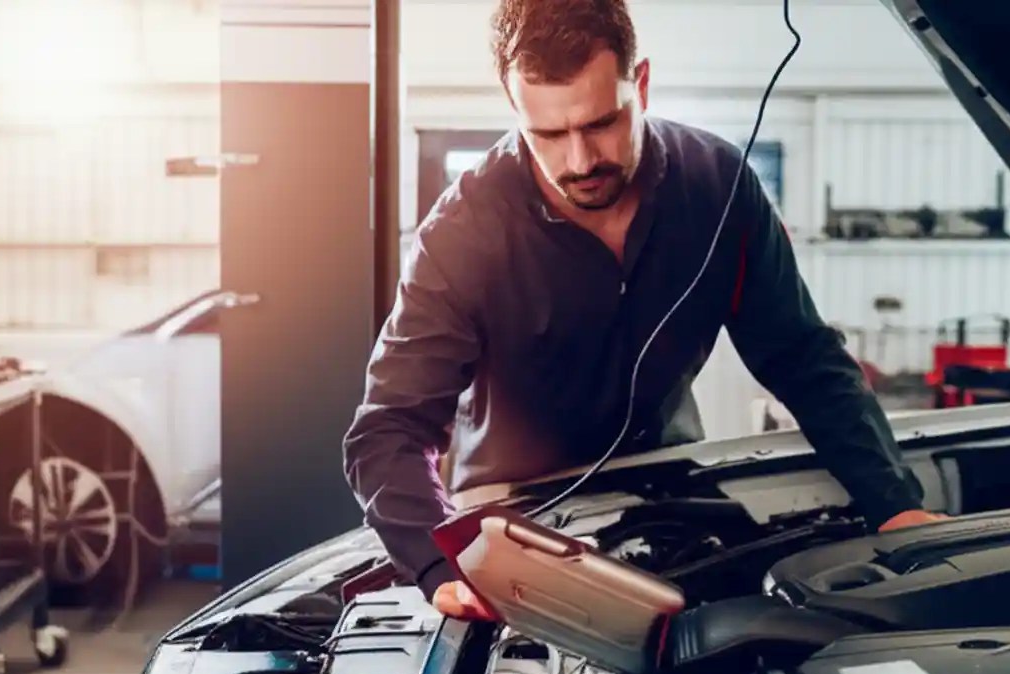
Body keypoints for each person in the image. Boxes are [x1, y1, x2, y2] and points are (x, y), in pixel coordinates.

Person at [343, 0, 945, 621]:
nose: (580, 161)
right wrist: (440, 564)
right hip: (513, 516)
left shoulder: (718, 187)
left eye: (602, 122)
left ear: (644, 84)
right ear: (511, 102)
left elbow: (803, 359)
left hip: (672, 493)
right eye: (548, 134)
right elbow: (390, 426)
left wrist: (893, 503)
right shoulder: (464, 231)